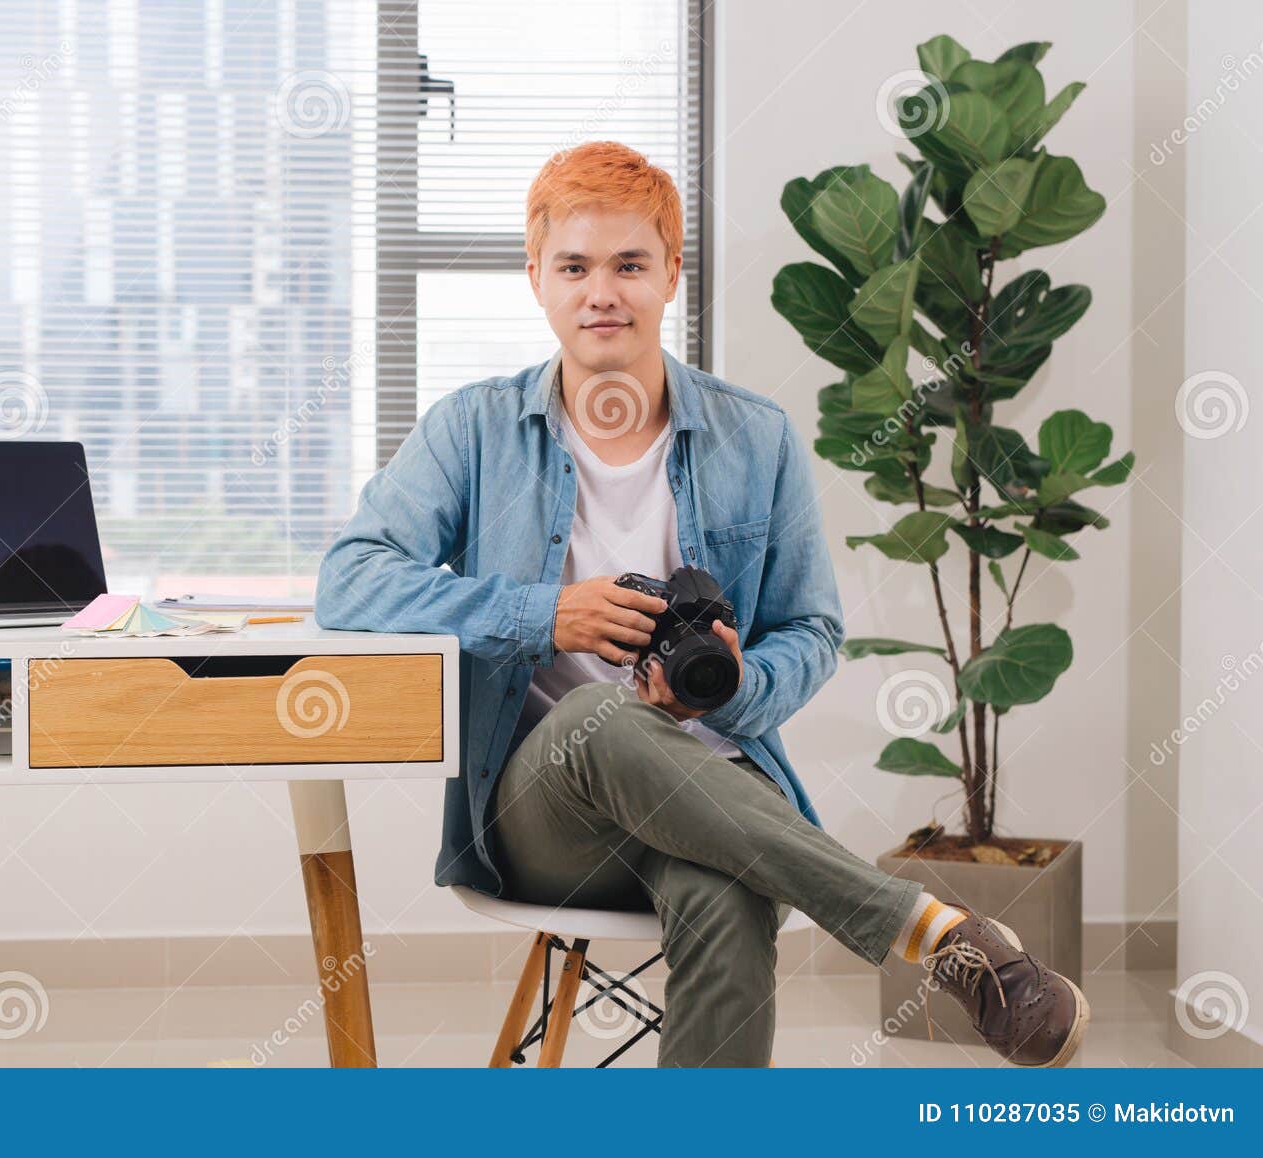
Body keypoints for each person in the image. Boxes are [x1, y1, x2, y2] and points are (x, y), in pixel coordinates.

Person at [313, 141, 1088, 1067]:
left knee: (727, 899)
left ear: (672, 272)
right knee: (600, 712)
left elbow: (812, 628)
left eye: (630, 264)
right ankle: (933, 934)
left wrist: (727, 690)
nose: (602, 292)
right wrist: (540, 615)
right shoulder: (472, 429)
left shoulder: (752, 435)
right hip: (546, 814)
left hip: (719, 791)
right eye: (575, 266)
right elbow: (351, 575)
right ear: (537, 278)